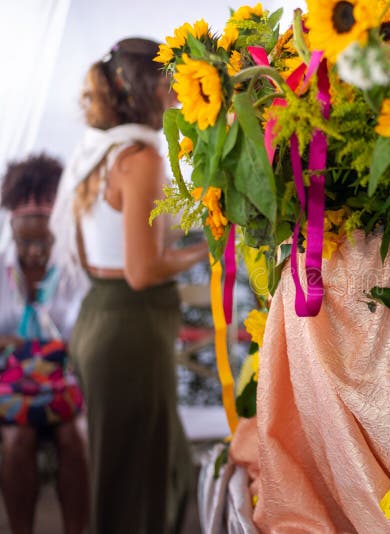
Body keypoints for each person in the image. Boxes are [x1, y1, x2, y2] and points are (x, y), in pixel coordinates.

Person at [49, 37, 208, 534]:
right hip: (129, 326)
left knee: (147, 465)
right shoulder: (139, 157)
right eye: (171, 81)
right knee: (137, 480)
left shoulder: (99, 149)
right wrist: (213, 245)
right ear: (148, 87)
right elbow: (142, 271)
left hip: (100, 316)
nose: (179, 92)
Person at [0, 154, 89, 534]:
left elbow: (85, 334)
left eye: (45, 201)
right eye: (27, 201)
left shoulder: (75, 268)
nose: (35, 211)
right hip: (10, 387)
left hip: (66, 386)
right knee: (18, 439)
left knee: (74, 438)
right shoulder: (3, 270)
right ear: (11, 212)